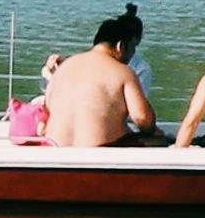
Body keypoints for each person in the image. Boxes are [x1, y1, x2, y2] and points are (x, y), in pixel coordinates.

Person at [38, 13, 154, 150]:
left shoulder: (63, 69)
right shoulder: (123, 72)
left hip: (55, 150)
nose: (132, 55)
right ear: (120, 46)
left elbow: (44, 118)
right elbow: (143, 119)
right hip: (99, 153)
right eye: (132, 49)